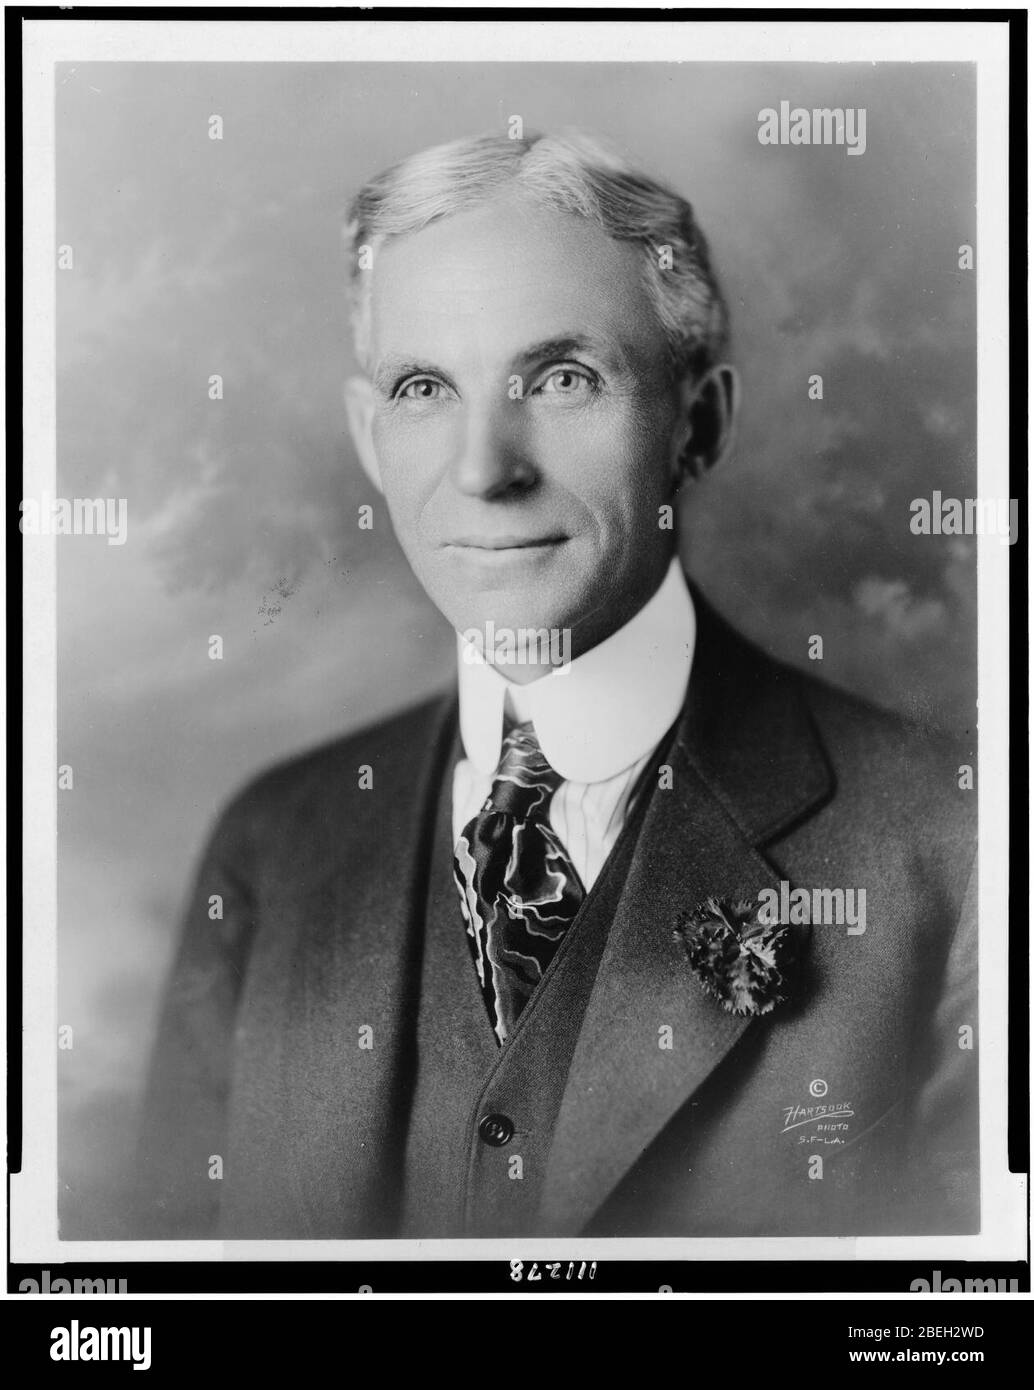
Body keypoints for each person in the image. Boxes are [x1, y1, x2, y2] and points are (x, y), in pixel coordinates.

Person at [137, 131, 977, 1240]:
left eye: (562, 378)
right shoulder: (270, 845)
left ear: (698, 421)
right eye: (423, 387)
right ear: (369, 436)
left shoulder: (954, 850)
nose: (485, 468)